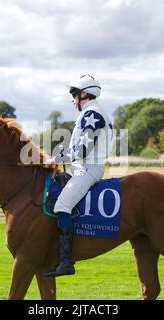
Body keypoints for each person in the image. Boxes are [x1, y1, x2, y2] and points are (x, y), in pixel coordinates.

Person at [44, 75, 114, 277]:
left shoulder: (92, 114)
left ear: (83, 94)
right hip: (84, 167)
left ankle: (66, 262)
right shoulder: (93, 112)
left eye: (73, 94)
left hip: (87, 170)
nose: (72, 99)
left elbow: (82, 150)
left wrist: (57, 159)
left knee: (62, 206)